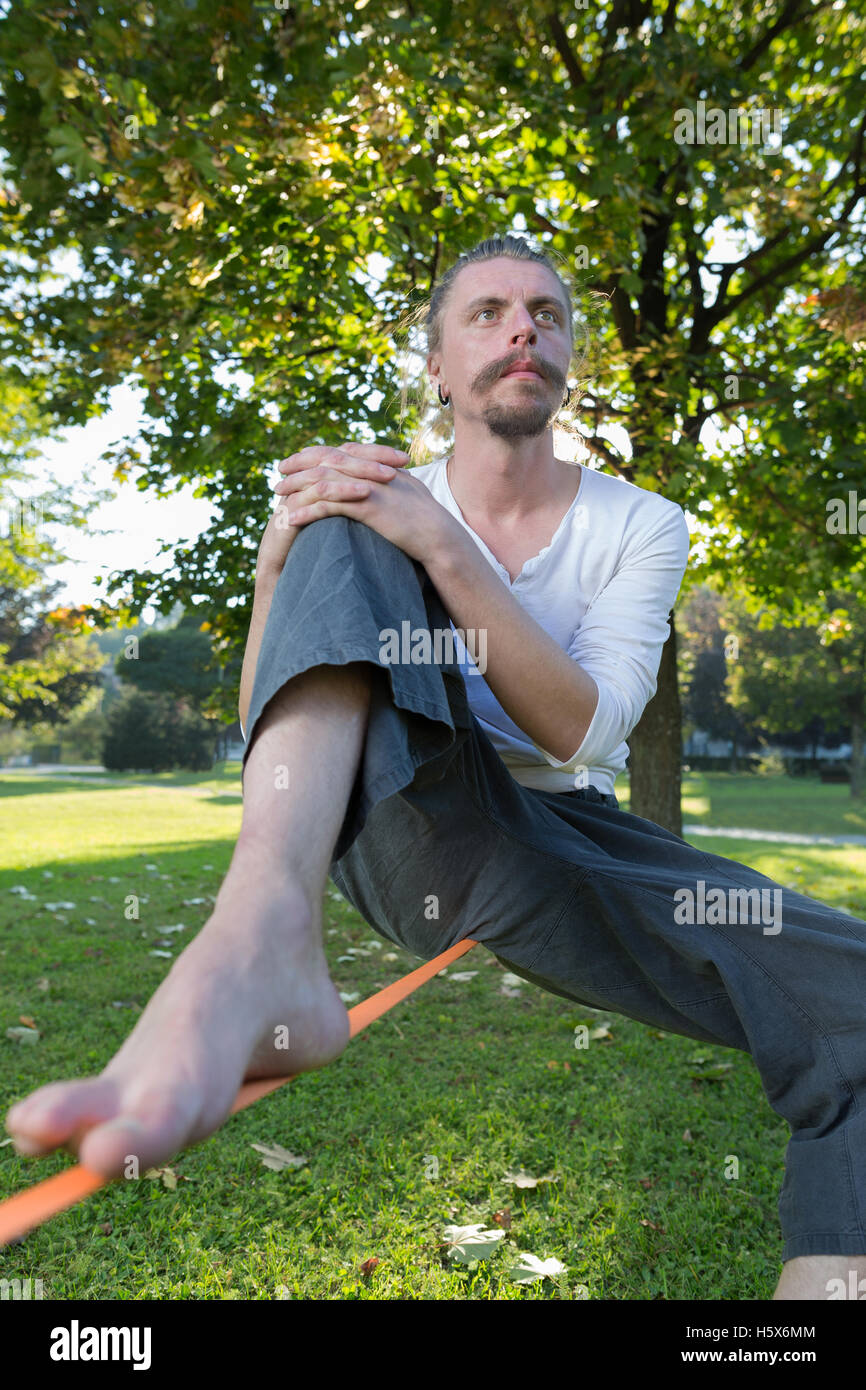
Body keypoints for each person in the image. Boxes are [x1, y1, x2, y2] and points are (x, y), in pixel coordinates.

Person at [6, 235, 866, 1303]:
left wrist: (443, 548)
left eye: (546, 315)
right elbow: (270, 724)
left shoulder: (639, 521)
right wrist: (284, 560)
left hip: (568, 829)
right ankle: (257, 936)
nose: (523, 329)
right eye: (490, 312)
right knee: (345, 514)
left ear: (566, 358)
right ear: (436, 362)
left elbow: (584, 734)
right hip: (413, 813)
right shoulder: (382, 495)